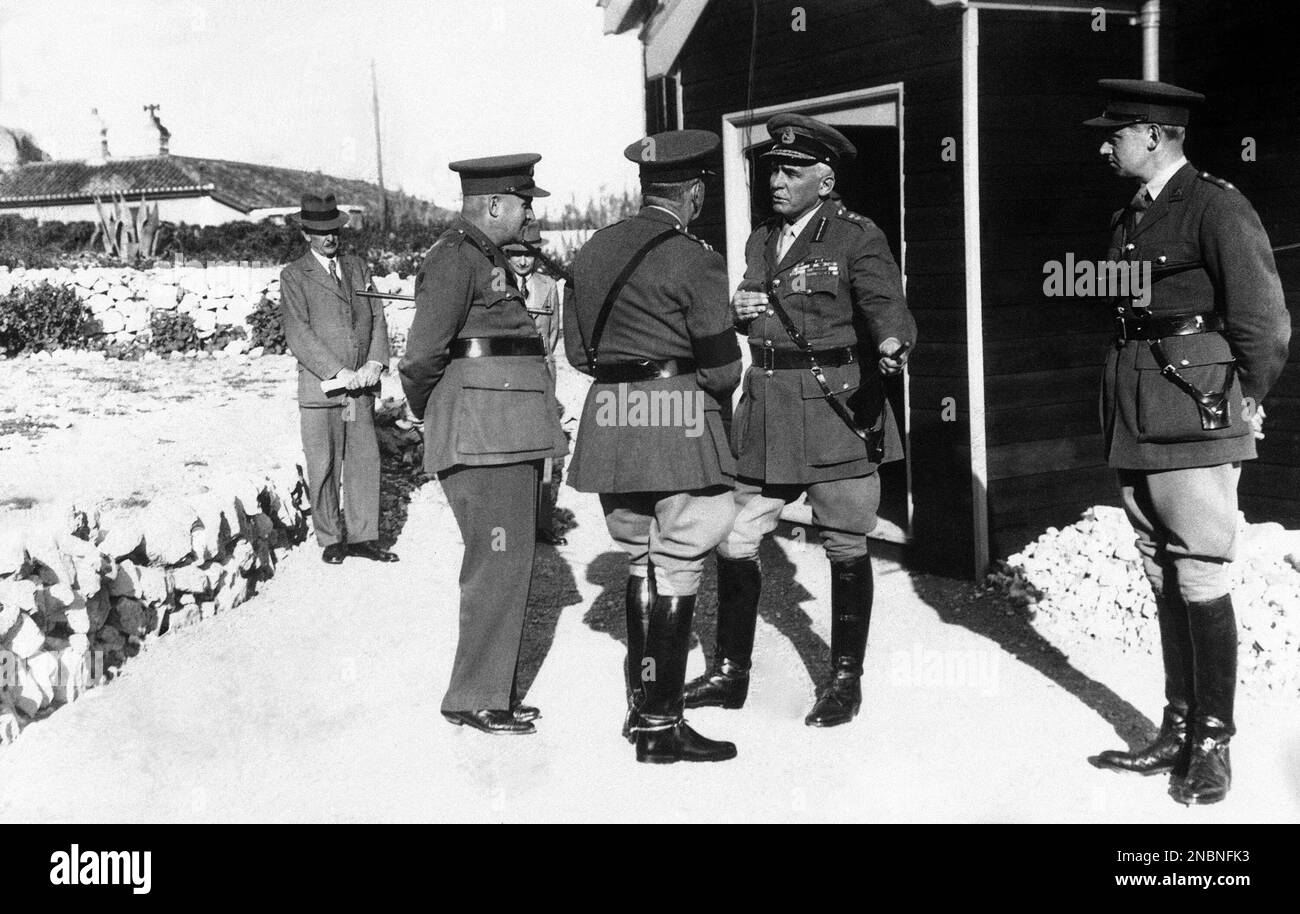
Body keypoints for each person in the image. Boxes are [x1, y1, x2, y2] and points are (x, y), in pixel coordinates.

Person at [1082, 80, 1291, 805]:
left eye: (1115, 134)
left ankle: (1212, 742)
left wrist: (1246, 400)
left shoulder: (1217, 205)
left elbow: (1264, 323)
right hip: (1136, 410)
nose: (1105, 146)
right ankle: (1175, 726)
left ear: (1154, 135)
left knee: (1199, 573)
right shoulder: (1129, 216)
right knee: (1158, 570)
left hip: (1196, 412)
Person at [683, 113, 915, 729]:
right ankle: (731, 674)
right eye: (772, 171)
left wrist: (893, 343)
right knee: (737, 536)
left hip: (835, 406)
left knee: (843, 542)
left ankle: (844, 682)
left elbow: (885, 304)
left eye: (792, 171)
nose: (777, 182)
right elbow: (753, 303)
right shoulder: (763, 237)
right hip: (766, 410)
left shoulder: (855, 236)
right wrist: (739, 307)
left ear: (826, 178)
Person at [565, 129, 743, 763]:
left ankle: (642, 711)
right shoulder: (697, 258)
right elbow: (721, 370)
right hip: (675, 414)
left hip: (612, 415)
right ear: (694, 193)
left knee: (639, 555)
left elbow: (578, 353)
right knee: (685, 547)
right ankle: (662, 725)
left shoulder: (588, 253)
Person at [399, 154, 567, 736]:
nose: (528, 214)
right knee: (495, 563)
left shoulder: (486, 258)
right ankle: (472, 696)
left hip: (506, 433)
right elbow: (422, 356)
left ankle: (492, 688)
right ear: (494, 204)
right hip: (482, 436)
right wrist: (438, 412)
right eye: (523, 203)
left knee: (509, 562)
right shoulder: (454, 259)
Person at [278, 192, 398, 566]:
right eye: (321, 231)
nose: (330, 237)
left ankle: (363, 536)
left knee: (363, 460)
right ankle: (330, 538)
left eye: (334, 230)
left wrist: (375, 362)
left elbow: (377, 316)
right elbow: (298, 332)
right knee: (323, 463)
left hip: (360, 388)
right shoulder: (295, 275)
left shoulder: (358, 268)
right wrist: (337, 371)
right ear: (305, 234)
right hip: (322, 390)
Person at [504, 223, 567, 546]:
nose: (523, 261)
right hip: (509, 376)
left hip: (541, 373)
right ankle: (514, 525)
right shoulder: (497, 283)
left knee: (543, 451)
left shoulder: (548, 286)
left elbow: (553, 333)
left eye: (528, 254)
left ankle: (542, 524)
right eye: (515, 254)